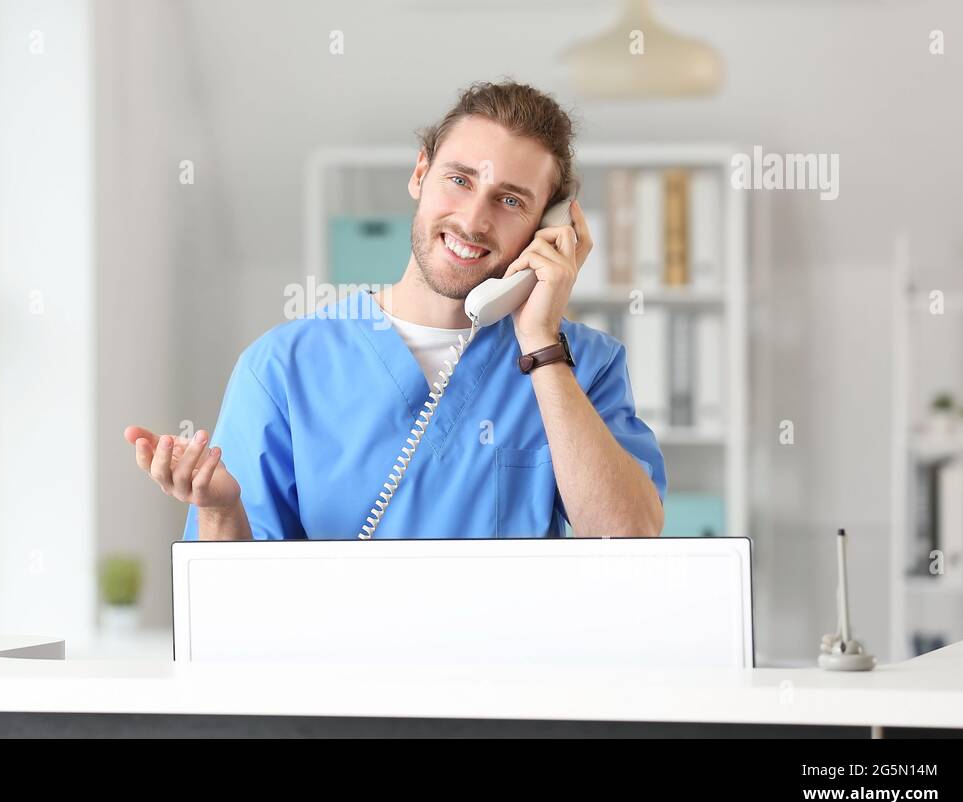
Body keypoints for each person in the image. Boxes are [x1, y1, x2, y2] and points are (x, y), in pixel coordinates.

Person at [124, 79, 666, 540]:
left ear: (548, 229)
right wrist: (220, 511)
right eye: (459, 180)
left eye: (510, 200)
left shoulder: (582, 366)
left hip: (512, 667)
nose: (474, 221)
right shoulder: (283, 369)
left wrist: (543, 346)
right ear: (420, 174)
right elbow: (235, 614)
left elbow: (632, 539)